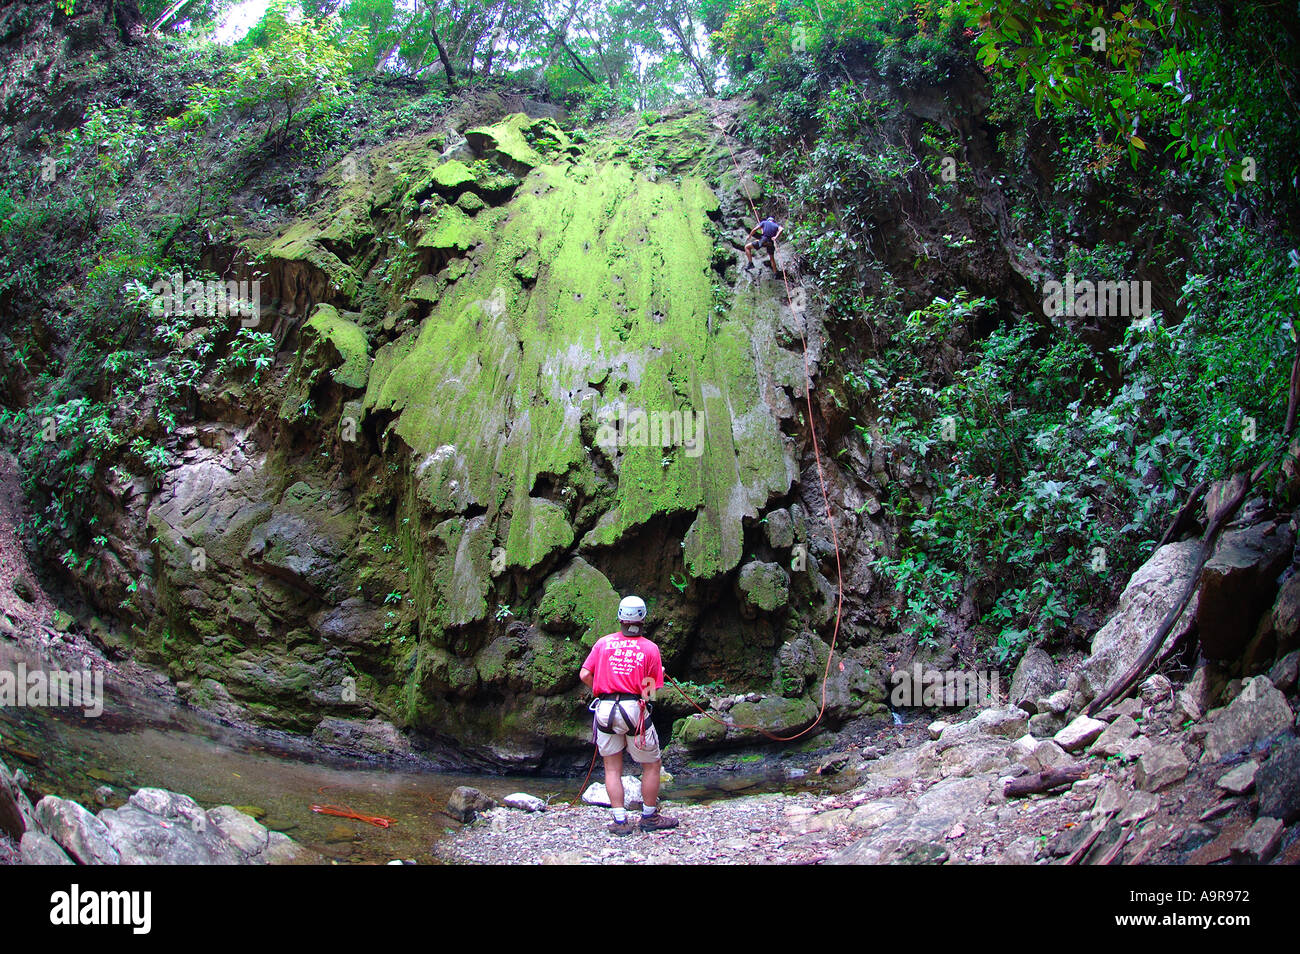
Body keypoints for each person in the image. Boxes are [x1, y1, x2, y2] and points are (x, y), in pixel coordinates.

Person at [579, 595, 679, 835]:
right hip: (634, 710)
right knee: (652, 765)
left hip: (604, 709)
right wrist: (658, 675)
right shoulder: (650, 649)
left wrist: (600, 689)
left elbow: (584, 674)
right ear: (643, 618)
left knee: (612, 768)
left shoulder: (603, 644)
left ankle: (620, 820)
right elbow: (648, 693)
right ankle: (649, 817)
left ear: (620, 618)